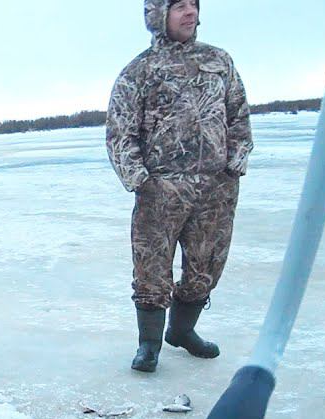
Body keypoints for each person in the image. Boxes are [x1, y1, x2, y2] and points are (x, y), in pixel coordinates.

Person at [107, 0, 253, 373]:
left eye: (194, 4)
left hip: (215, 188)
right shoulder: (139, 71)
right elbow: (120, 131)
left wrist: (234, 165)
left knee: (206, 265)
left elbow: (238, 115)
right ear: (159, 15)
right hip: (161, 189)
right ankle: (149, 344)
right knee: (152, 267)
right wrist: (140, 180)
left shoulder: (220, 61)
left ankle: (183, 331)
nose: (190, 12)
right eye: (179, 6)